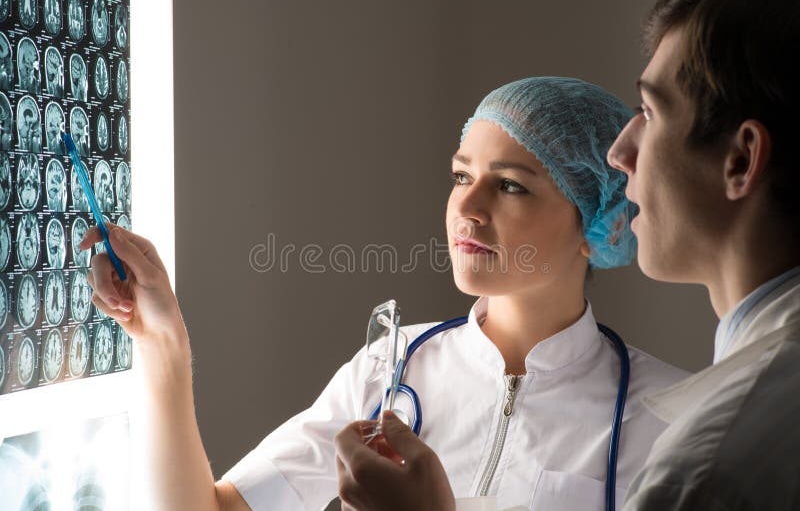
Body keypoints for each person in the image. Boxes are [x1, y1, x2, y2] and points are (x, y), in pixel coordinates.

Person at [84, 77, 688, 510]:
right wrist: (164, 343)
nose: (466, 209)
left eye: (509, 186)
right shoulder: (391, 368)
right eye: (460, 176)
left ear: (600, 224)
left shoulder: (664, 416)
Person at [335, 0, 800, 510]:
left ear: (739, 160)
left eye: (649, 112)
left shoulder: (709, 458)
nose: (621, 152)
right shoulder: (383, 370)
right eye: (460, 176)